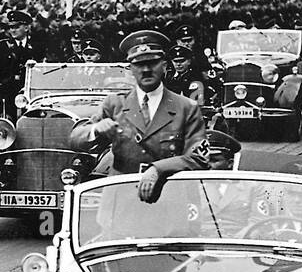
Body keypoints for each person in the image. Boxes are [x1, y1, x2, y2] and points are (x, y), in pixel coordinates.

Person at [69, 29, 209, 202]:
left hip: (167, 201)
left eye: (152, 63)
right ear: (130, 69)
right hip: (120, 203)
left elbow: (200, 158)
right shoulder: (115, 104)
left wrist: (158, 169)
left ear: (165, 66)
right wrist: (96, 129)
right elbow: (75, 139)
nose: (146, 70)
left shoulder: (186, 107)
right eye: (139, 65)